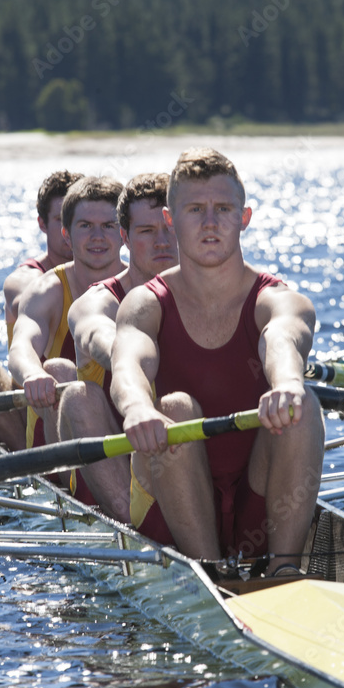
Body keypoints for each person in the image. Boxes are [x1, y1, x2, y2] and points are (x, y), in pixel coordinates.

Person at [110, 147, 325, 570]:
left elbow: (282, 338)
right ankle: (206, 572)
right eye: (195, 209)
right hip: (170, 503)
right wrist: (136, 408)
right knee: (174, 408)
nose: (210, 222)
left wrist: (286, 384)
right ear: (171, 222)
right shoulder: (145, 304)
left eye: (223, 209)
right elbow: (128, 364)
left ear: (243, 218)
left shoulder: (278, 298)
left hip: (256, 502)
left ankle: (282, 571)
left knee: (304, 405)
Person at [58, 172, 178, 522]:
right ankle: (134, 526)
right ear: (125, 237)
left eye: (170, 229)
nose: (162, 242)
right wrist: (133, 358)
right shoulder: (95, 303)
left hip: (178, 450)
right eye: (147, 231)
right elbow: (98, 335)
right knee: (80, 396)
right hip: (112, 467)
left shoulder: (206, 297)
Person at [0, 170, 83, 450]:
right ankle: (26, 456)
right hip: (36, 401)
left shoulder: (114, 273)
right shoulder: (27, 280)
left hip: (89, 396)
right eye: (61, 220)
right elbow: (27, 297)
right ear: (42, 224)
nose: (69, 231)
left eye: (77, 221)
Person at [8, 175, 126, 450]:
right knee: (58, 370)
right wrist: (32, 374)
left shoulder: (142, 287)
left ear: (123, 232)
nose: (97, 237)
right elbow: (21, 346)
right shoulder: (46, 290)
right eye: (86, 226)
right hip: (57, 443)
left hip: (125, 424)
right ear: (67, 234)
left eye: (108, 226)